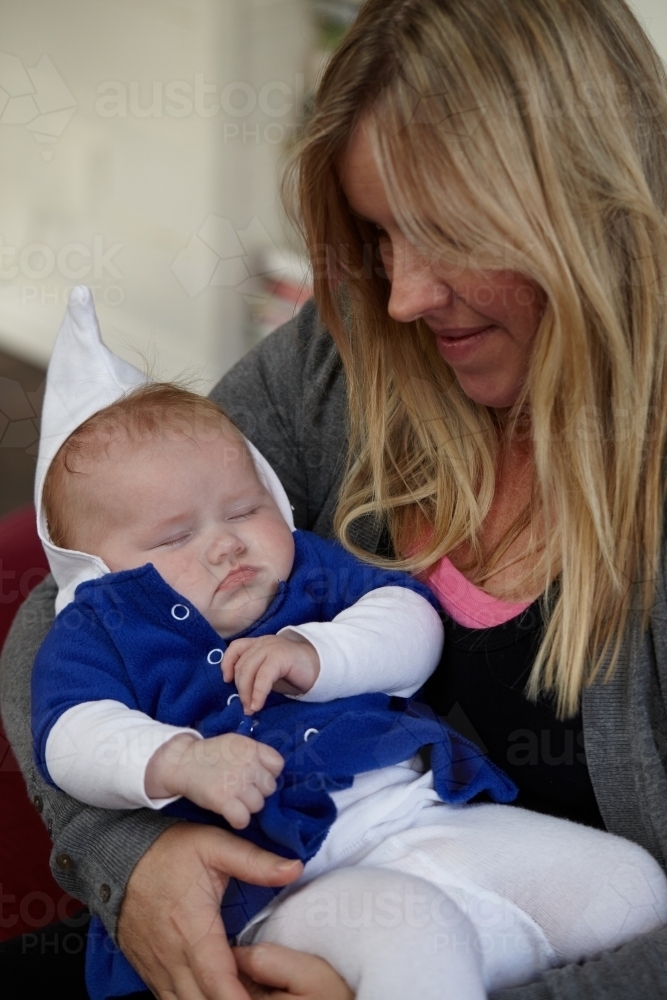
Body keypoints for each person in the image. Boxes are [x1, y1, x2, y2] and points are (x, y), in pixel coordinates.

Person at [4, 0, 667, 996]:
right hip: (273, 902)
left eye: (446, 233)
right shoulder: (349, 358)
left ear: (587, 204)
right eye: (377, 234)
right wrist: (131, 855)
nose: (401, 293)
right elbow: (70, 612)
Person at [29, 304, 667, 1000]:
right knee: (415, 932)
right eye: (174, 538)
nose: (226, 543)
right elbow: (69, 737)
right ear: (96, 574)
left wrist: (317, 651)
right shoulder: (100, 630)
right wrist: (177, 761)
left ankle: (464, 963)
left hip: (422, 818)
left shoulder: (304, 568)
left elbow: (409, 621)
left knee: (628, 888)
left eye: (245, 509)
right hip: (285, 883)